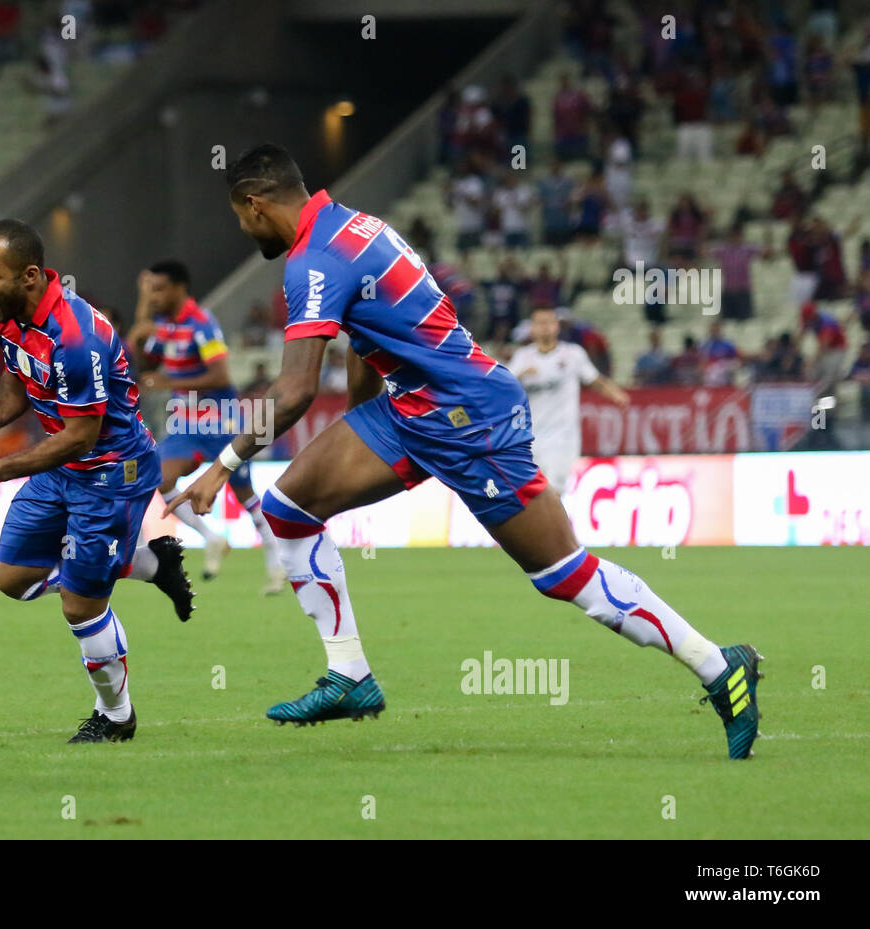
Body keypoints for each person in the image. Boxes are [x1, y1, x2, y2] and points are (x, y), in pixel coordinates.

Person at [167, 144, 763, 759]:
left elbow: (295, 389)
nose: (244, 230)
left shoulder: (314, 260)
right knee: (288, 510)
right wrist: (358, 424)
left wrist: (222, 467)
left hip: (469, 417)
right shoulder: (353, 226)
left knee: (563, 575)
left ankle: (720, 667)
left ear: (255, 204)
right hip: (410, 409)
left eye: (240, 217)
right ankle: (349, 675)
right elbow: (363, 338)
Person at [0, 220, 194, 744]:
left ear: (29, 275)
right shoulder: (9, 312)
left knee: (80, 605)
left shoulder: (76, 337)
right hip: (62, 467)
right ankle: (150, 563)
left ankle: (116, 717)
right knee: (13, 579)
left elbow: (82, 436)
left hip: (109, 473)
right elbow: (17, 372)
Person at [125, 260, 285, 593]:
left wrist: (169, 381)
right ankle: (212, 537)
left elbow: (221, 375)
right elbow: (144, 358)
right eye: (151, 290)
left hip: (220, 420)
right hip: (185, 424)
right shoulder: (166, 326)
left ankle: (276, 559)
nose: (155, 296)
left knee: (244, 493)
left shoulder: (201, 324)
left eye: (159, 289)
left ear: (179, 288)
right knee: (159, 477)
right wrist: (142, 303)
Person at [507, 307, 629, 491]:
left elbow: (594, 379)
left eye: (549, 322)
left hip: (562, 438)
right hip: (530, 438)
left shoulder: (573, 354)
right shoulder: (522, 357)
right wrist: (521, 375)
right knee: (531, 494)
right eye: (540, 323)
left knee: (554, 492)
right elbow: (503, 387)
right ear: (532, 328)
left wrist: (615, 394)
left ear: (557, 326)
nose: (545, 327)